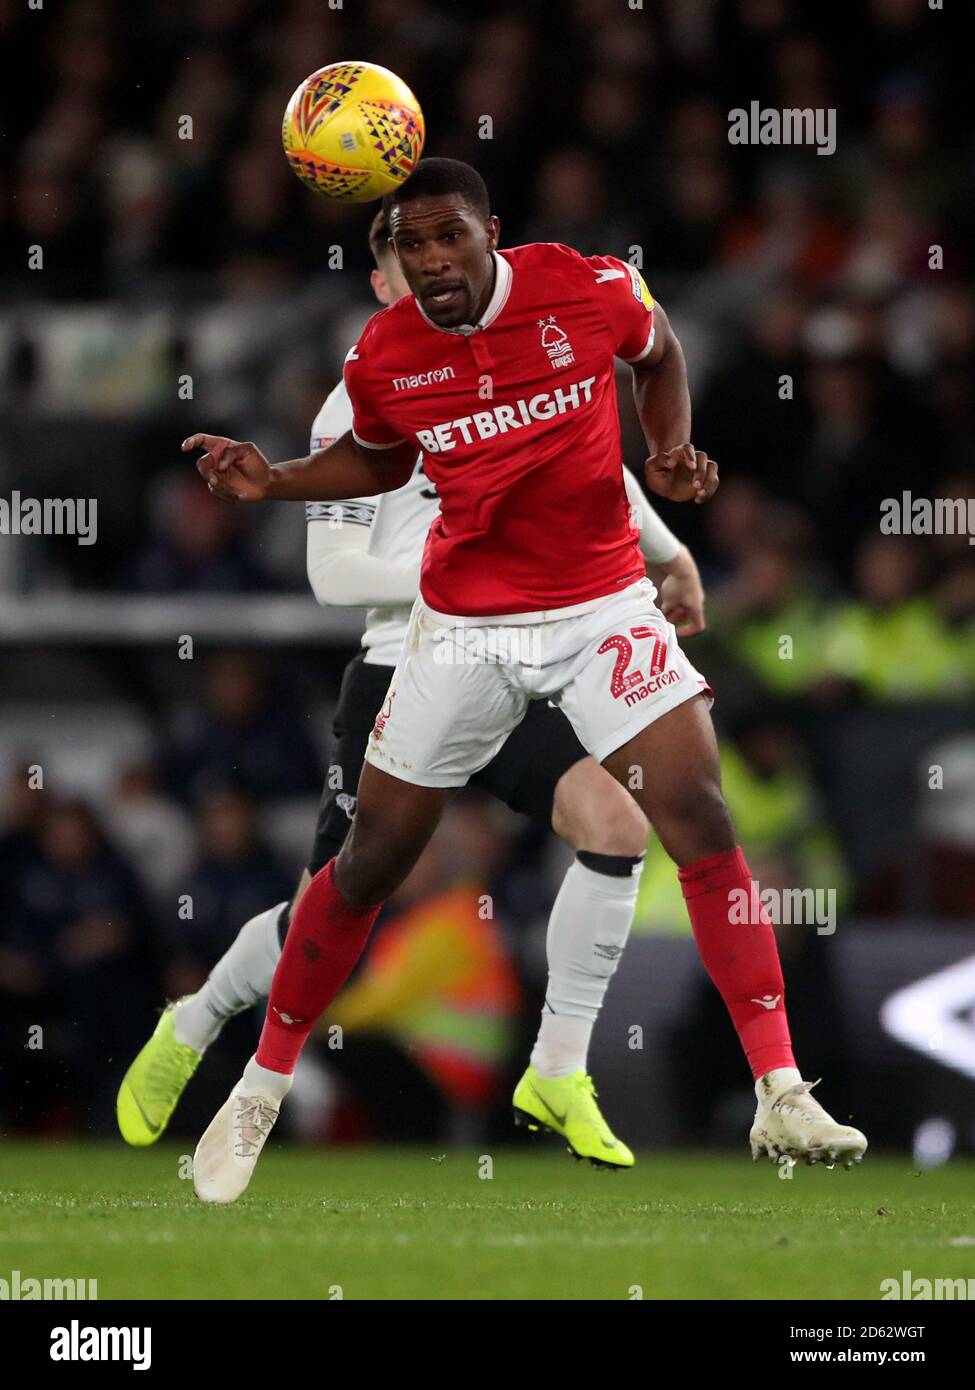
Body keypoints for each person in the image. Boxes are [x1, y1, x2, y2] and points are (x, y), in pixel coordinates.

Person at [184, 158, 867, 1203]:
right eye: (414, 248)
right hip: (462, 627)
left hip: (601, 608)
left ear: (489, 231)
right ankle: (259, 1089)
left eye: (450, 237)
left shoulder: (584, 290)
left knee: (698, 812)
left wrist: (673, 448)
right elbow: (374, 460)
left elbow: (661, 348)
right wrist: (272, 480)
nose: (435, 262)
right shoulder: (387, 351)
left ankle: (780, 1088)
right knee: (369, 864)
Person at [118, 208, 707, 1170]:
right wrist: (469, 562)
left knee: (615, 819)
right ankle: (197, 1020)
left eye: (439, 259)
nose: (428, 279)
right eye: (402, 266)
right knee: (336, 902)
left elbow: (593, 469)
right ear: (380, 287)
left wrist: (670, 553)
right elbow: (332, 576)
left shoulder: (511, 353)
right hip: (406, 665)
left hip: (518, 656)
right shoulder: (359, 399)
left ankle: (558, 1069)